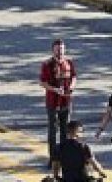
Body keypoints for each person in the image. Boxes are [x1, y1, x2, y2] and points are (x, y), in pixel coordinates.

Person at [40, 37, 77, 179]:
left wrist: (72, 87)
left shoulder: (68, 63)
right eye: (57, 50)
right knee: (52, 132)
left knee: (65, 132)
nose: (60, 52)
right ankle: (53, 158)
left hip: (66, 102)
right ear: (53, 50)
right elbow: (42, 82)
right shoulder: (47, 64)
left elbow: (74, 76)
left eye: (62, 49)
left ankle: (64, 157)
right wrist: (55, 90)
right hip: (53, 103)